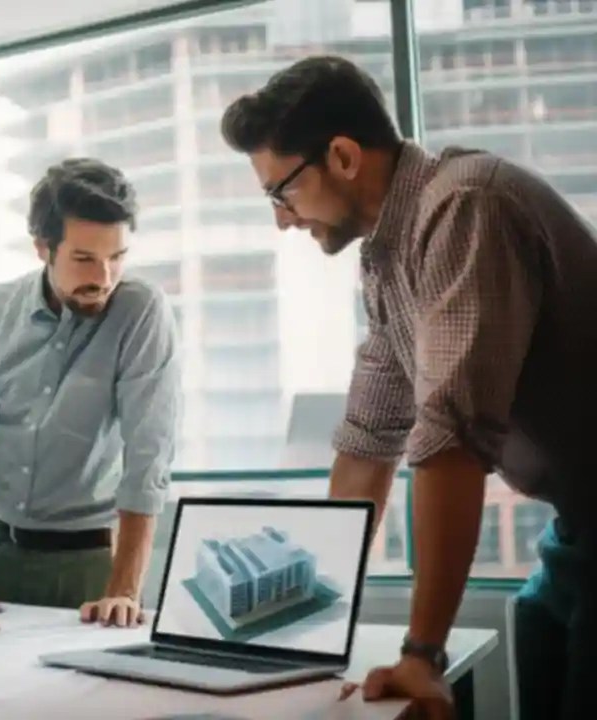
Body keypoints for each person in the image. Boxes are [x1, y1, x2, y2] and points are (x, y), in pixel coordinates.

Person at [221, 55, 597, 720]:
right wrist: (312, 639)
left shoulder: (465, 205)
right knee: (536, 635)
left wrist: (422, 654)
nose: (282, 219)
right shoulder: (390, 259)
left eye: (281, 192)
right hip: (578, 528)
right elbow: (369, 440)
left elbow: (452, 434)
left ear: (341, 156)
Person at [0, 158, 179, 626]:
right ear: (42, 248)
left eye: (117, 257)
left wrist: (125, 591)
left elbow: (147, 457)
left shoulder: (141, 313)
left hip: (91, 564)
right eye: (85, 258)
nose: (105, 278)